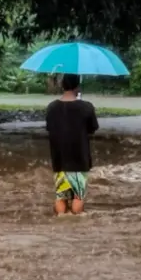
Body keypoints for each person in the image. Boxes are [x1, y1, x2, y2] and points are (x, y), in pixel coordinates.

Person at [46, 73, 98, 216]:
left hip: (59, 159)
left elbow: (49, 128)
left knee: (60, 195)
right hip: (80, 159)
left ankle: (61, 218)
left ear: (62, 85)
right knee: (78, 196)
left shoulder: (52, 107)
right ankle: (76, 218)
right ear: (78, 87)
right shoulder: (87, 107)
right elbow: (92, 129)